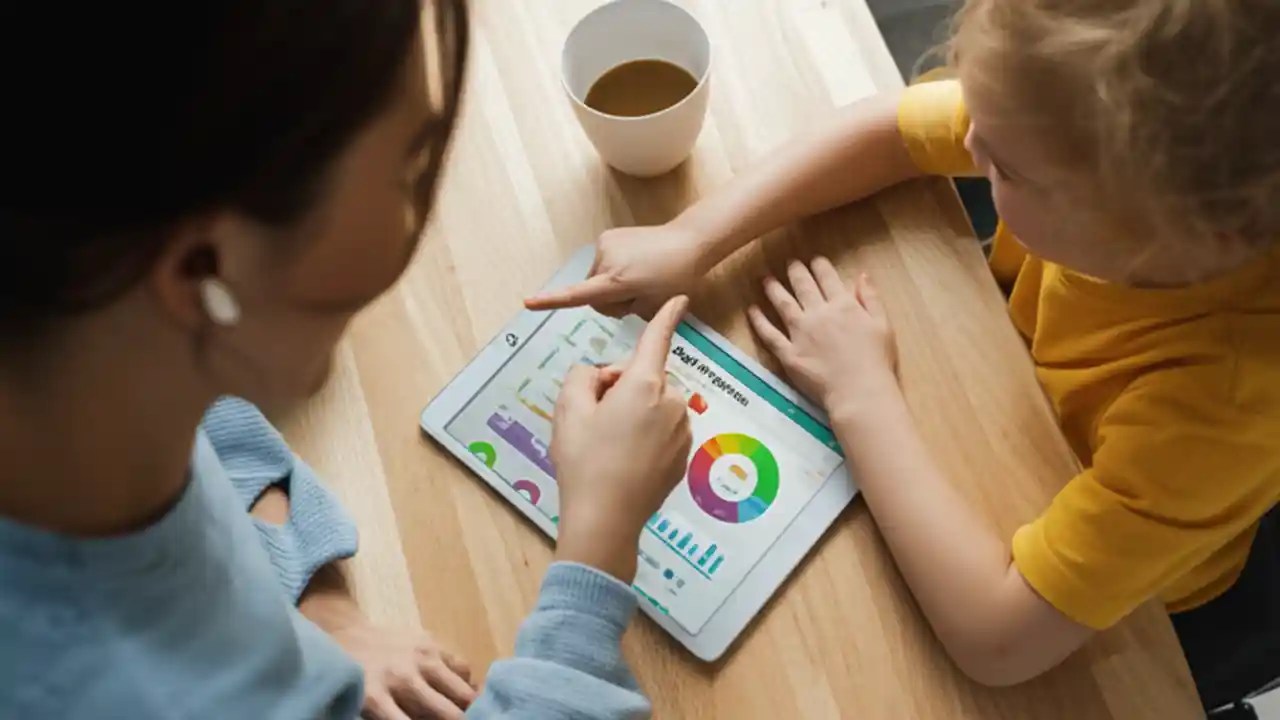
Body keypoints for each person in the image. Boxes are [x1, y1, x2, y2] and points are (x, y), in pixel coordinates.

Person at [528, 0, 1280, 714]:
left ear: (1159, 238)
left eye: (1005, 168)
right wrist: (694, 238)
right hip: (1021, 393)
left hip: (1147, 608)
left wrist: (859, 391)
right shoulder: (1096, 152)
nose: (971, 144)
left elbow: (996, 640)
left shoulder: (1221, 412)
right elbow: (890, 127)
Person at [0, 2, 693, 718]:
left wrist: (310, 604)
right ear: (206, 268)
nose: (415, 213)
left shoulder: (80, 329)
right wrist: (598, 543)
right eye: (408, 167)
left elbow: (205, 418)